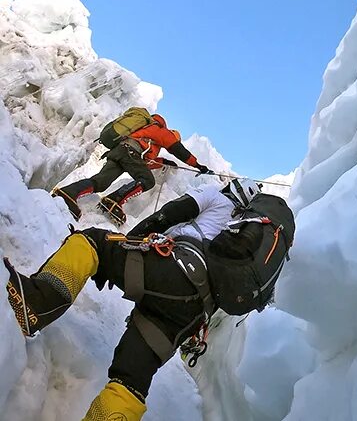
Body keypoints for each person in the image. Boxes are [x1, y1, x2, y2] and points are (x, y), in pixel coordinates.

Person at [4, 178, 276, 421]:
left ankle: (36, 304)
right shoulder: (243, 234)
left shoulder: (214, 196)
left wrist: (130, 241)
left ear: (230, 189)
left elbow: (170, 213)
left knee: (93, 241)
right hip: (192, 312)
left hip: (175, 268)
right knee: (132, 379)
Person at [53, 111, 211, 224]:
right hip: (130, 153)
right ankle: (113, 201)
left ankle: (68, 192)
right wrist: (197, 165)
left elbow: (143, 163)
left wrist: (163, 161)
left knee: (101, 182)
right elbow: (179, 150)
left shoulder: (146, 135)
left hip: (120, 151)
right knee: (147, 181)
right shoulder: (162, 132)